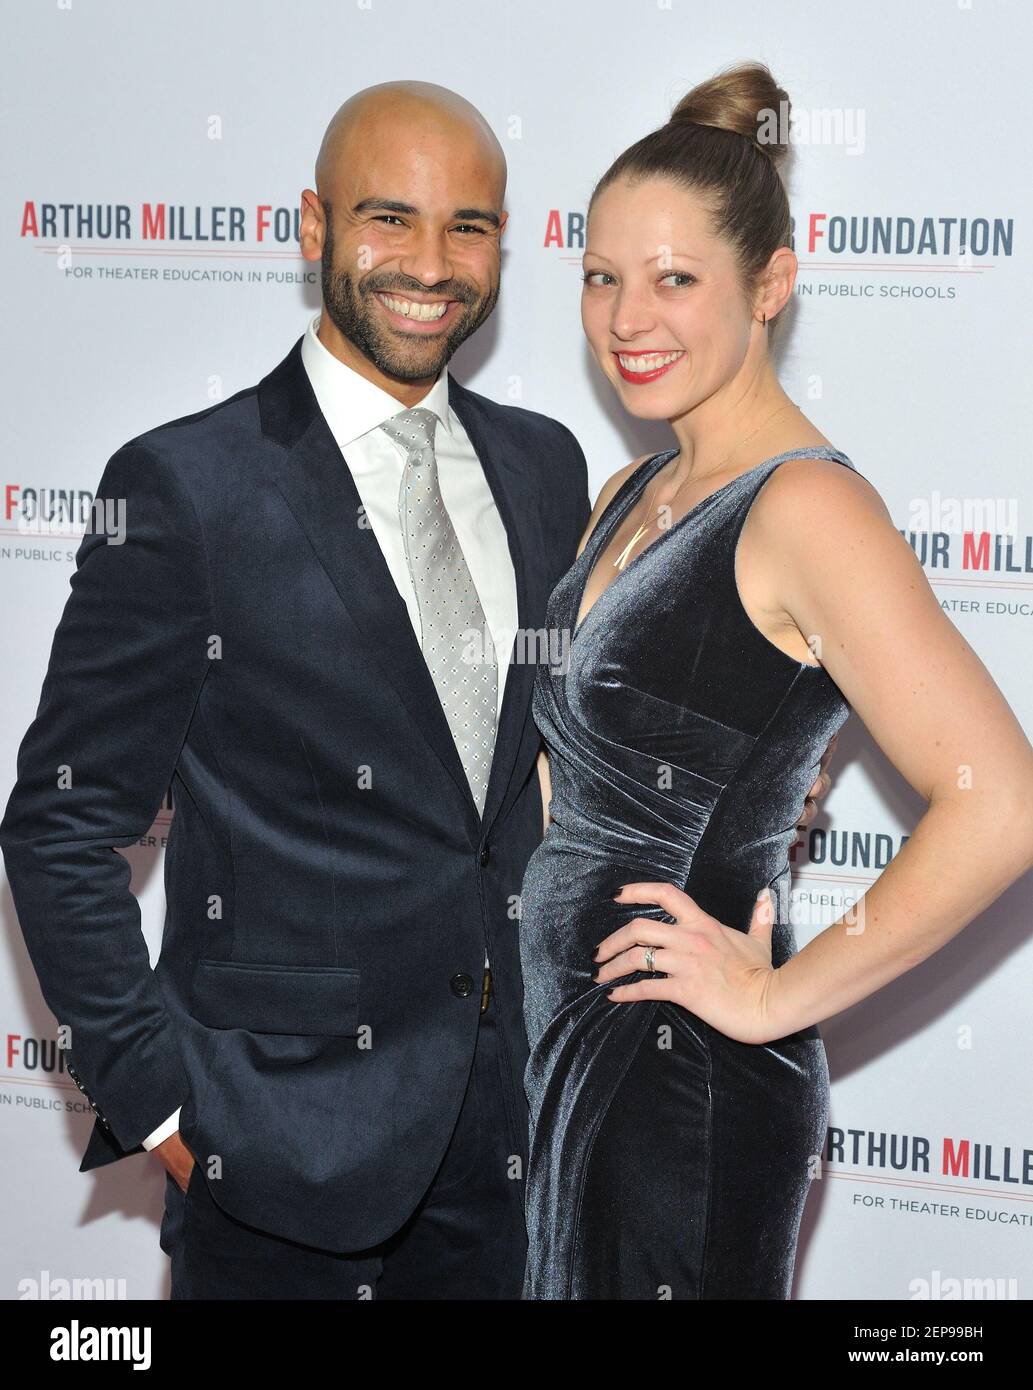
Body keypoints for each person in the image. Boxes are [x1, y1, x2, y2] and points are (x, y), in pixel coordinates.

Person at [0, 78, 833, 1301]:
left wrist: (743, 786)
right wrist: (161, 1100)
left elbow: (558, 763)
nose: (430, 265)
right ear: (312, 227)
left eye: (469, 227)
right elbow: (62, 821)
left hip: (527, 1139)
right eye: (389, 219)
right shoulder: (189, 486)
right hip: (277, 1157)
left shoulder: (550, 465)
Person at [519, 60, 1033, 1301]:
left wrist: (773, 998)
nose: (626, 316)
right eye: (601, 277)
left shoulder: (807, 506)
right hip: (571, 1053)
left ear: (772, 285)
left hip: (681, 1078)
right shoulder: (629, 492)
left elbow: (999, 803)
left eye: (674, 279)